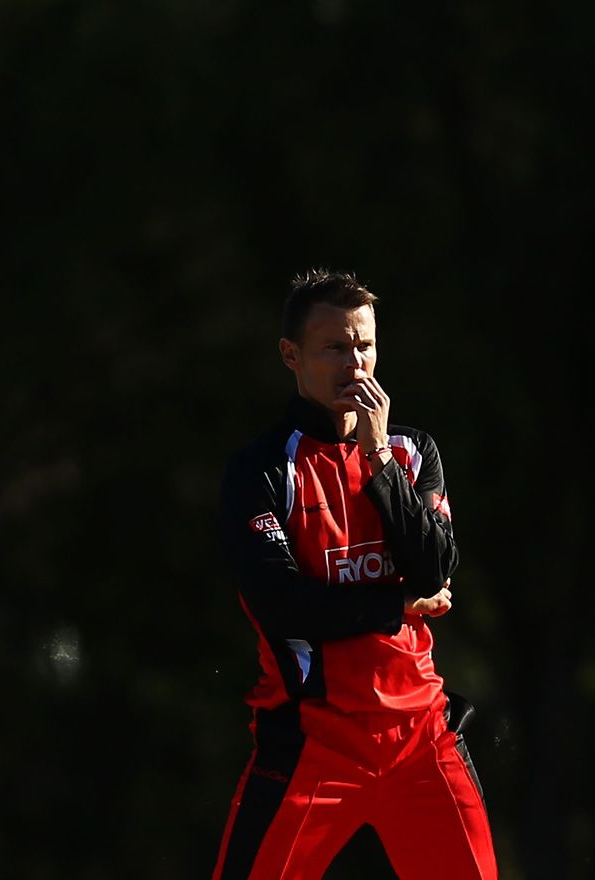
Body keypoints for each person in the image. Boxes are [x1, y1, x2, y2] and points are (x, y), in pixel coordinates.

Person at [212, 269, 497, 879]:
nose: (354, 364)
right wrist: (395, 607)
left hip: (422, 738)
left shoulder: (411, 452)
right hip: (312, 741)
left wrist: (377, 457)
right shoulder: (261, 469)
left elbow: (433, 570)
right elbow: (282, 605)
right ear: (291, 355)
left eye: (364, 345)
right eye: (334, 348)